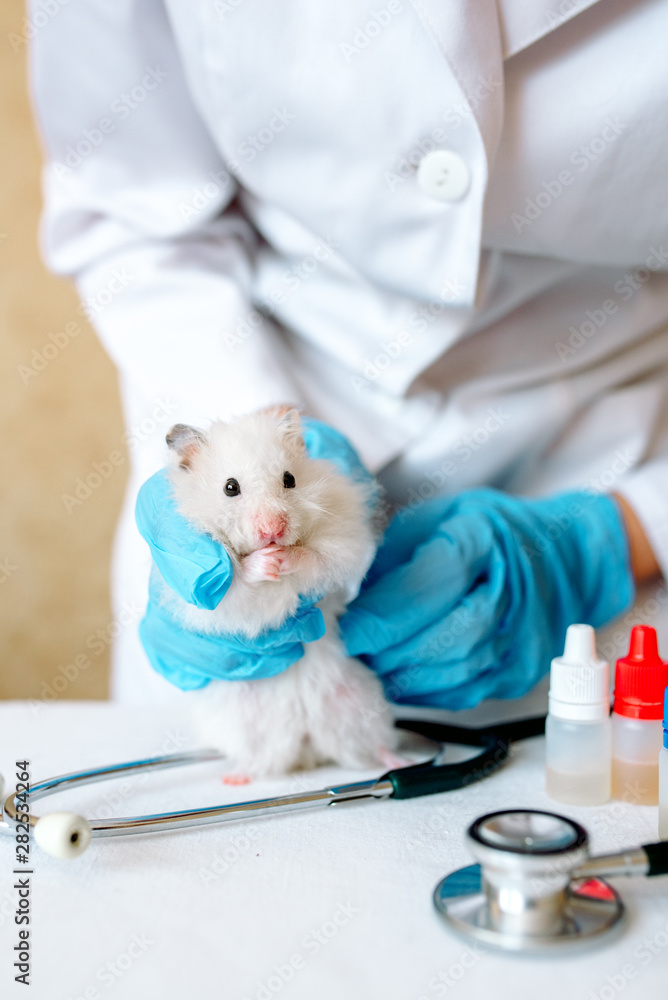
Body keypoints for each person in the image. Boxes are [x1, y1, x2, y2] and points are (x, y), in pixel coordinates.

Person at [30, 0, 668, 714]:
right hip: (278, 361)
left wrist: (631, 529)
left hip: (614, 443)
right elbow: (133, 208)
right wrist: (249, 427)